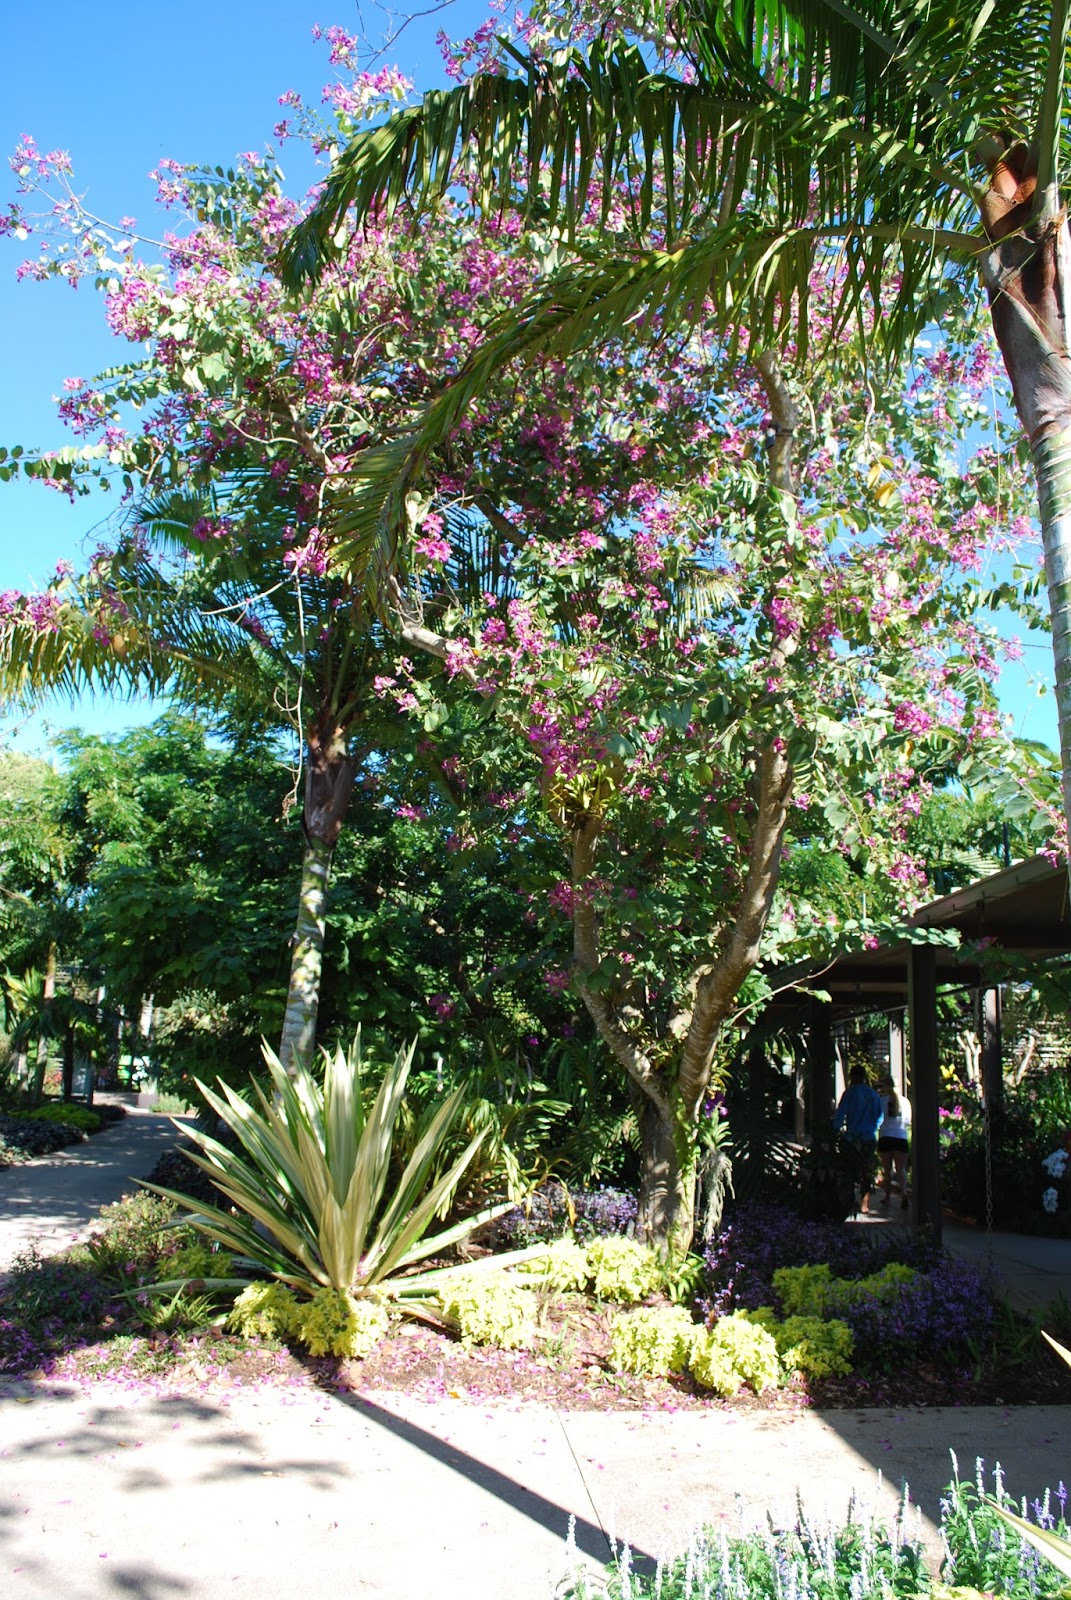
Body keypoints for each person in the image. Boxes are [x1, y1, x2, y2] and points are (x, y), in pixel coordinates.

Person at [833, 1064, 884, 1215]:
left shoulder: (849, 1093)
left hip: (851, 1138)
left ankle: (849, 1202)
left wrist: (835, 1132)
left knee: (848, 1171)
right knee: (866, 1171)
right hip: (868, 1137)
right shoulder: (874, 1095)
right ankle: (864, 1203)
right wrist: (871, 1129)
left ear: (853, 1076)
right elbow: (880, 1118)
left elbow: (840, 1116)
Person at [877, 1083, 911, 1210]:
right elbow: (908, 1121)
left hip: (885, 1137)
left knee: (887, 1170)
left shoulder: (883, 1101)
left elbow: (878, 1117)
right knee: (901, 1168)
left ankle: (887, 1196)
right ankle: (904, 1193)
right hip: (901, 1137)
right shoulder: (906, 1102)